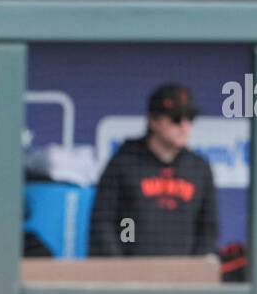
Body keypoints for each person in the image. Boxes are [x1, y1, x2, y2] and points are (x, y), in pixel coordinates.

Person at [88, 83, 219, 258]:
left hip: (183, 276)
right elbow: (104, 222)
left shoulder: (199, 168)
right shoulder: (125, 162)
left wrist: (194, 267)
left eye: (190, 118)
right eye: (176, 119)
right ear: (153, 121)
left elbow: (208, 228)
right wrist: (120, 267)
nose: (184, 127)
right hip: (132, 275)